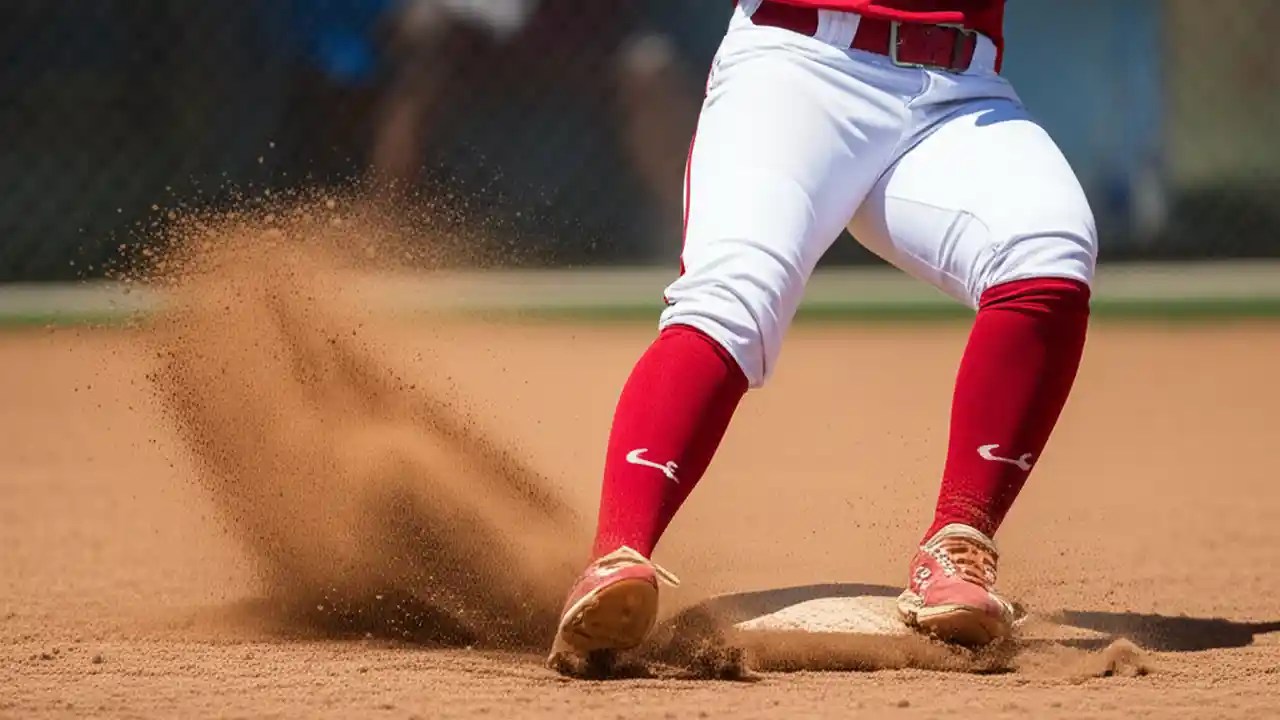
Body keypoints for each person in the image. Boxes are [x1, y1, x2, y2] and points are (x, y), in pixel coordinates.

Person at [548, 0, 1096, 673]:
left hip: (958, 91)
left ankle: (958, 543)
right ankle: (617, 555)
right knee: (733, 295)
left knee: (1047, 250)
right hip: (794, 70)